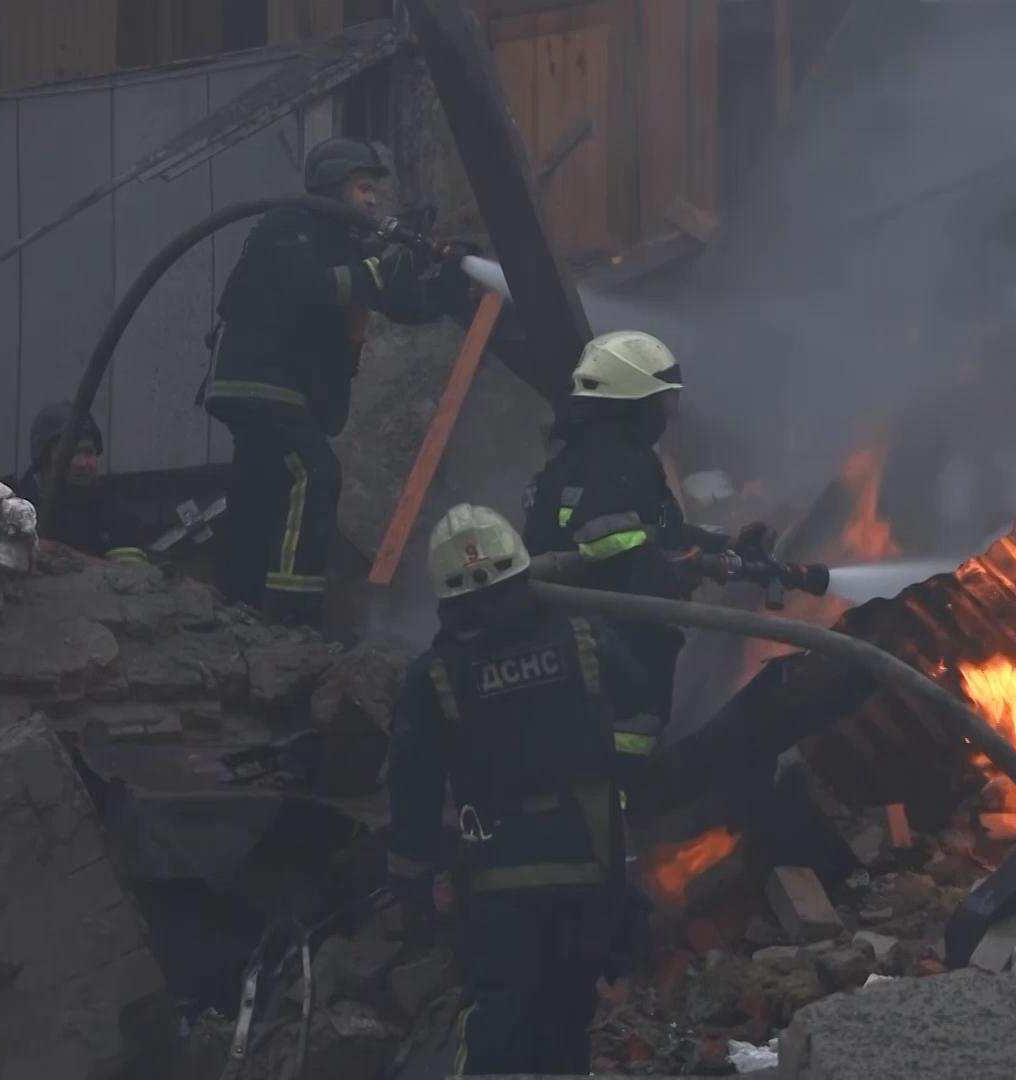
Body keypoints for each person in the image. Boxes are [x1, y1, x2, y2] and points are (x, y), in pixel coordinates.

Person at [387, 504, 662, 1076]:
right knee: (566, 1019)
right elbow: (642, 708)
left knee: (498, 1020)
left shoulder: (434, 675)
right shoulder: (584, 636)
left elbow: (413, 788)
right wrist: (617, 786)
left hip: (497, 878)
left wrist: (410, 879)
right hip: (588, 864)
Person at [203, 136, 471, 625]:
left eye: (374, 191)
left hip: (288, 391)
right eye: (363, 188)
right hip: (260, 379)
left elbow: (402, 303)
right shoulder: (289, 225)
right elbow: (312, 290)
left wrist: (449, 282)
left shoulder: (346, 246)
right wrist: (385, 264)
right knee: (316, 472)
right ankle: (293, 616)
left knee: (260, 490)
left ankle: (237, 605)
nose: (372, 200)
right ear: (331, 186)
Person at [523, 331, 757, 722]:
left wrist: (723, 546)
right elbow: (612, 549)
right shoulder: (614, 462)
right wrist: (675, 572)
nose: (667, 415)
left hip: (598, 633)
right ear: (632, 406)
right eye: (661, 402)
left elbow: (657, 530)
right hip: (612, 637)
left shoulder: (591, 456)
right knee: (634, 729)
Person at [11, 402, 143, 560]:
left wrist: (65, 555)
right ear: (43, 458)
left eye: (89, 452)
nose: (82, 463)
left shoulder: (116, 517)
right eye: (71, 453)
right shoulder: (10, 510)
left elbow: (127, 571)